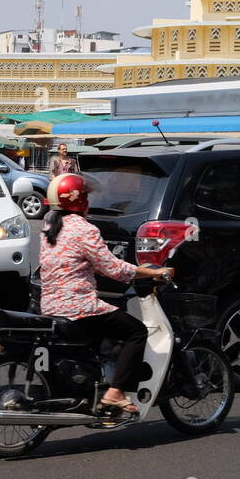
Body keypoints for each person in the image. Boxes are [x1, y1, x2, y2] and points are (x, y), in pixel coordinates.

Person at [39, 173, 174, 415]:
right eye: (87, 196)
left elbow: (72, 262)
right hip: (77, 306)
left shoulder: (48, 226)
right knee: (136, 331)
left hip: (50, 305)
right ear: (80, 200)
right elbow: (114, 269)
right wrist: (151, 272)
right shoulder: (85, 229)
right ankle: (115, 393)